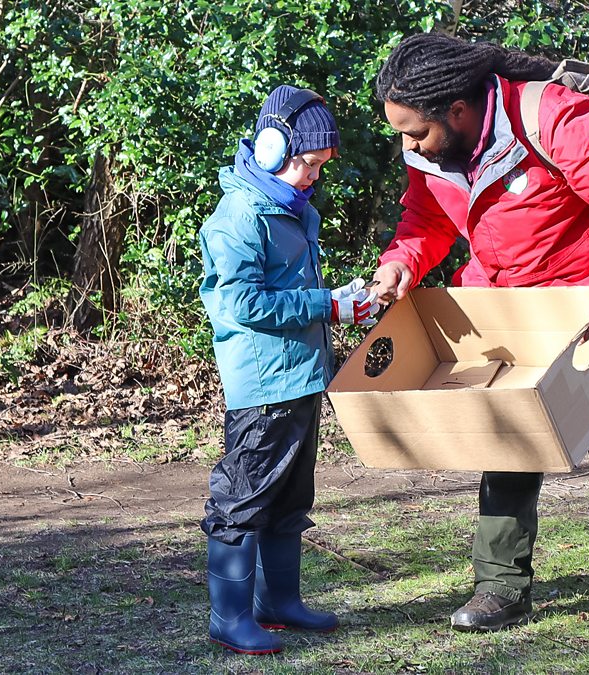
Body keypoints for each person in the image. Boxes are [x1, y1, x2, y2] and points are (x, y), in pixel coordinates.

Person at [371, 34, 589, 657]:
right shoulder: (433, 146)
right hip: (505, 310)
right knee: (507, 443)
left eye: (414, 133)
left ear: (457, 110)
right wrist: (402, 261)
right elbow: (425, 219)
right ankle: (500, 588)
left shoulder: (555, 117)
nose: (408, 146)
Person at [197, 84, 379, 655]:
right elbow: (240, 305)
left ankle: (278, 602)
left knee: (289, 498)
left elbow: (292, 290)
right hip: (263, 384)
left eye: (321, 167)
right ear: (273, 150)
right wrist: (327, 304)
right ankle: (229, 618)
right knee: (243, 498)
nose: (314, 177)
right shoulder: (240, 218)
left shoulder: (294, 209)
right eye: (308, 164)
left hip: (302, 377)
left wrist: (343, 298)